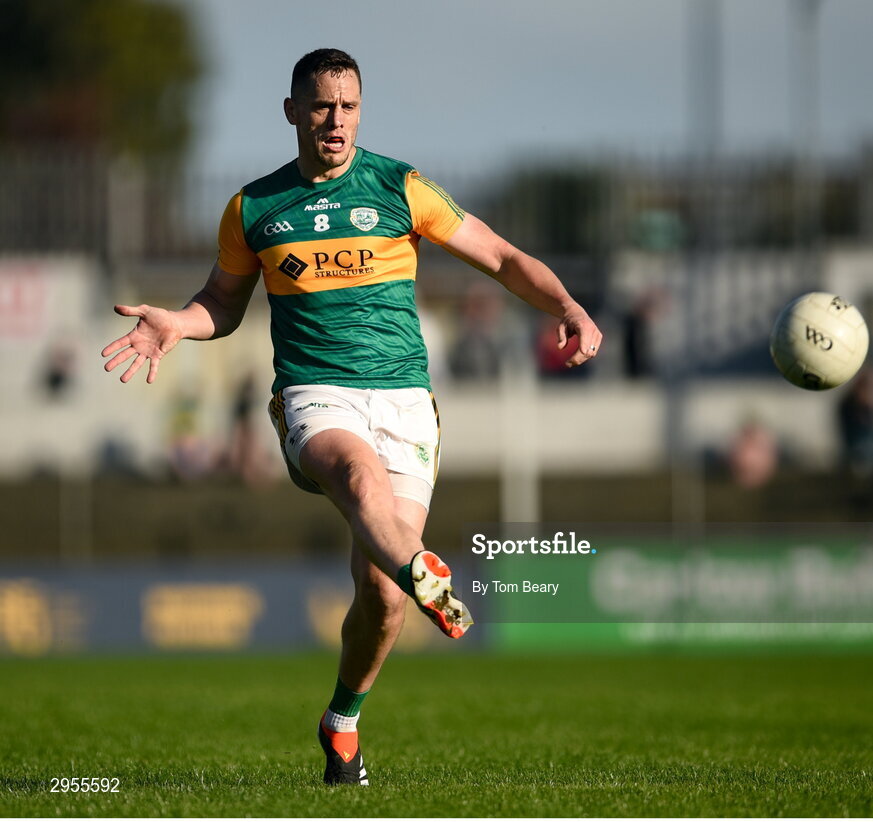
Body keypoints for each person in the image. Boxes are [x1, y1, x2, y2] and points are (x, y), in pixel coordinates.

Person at [100, 48, 602, 786]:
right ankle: (425, 566)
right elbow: (222, 305)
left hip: (404, 400)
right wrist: (177, 322)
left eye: (349, 106)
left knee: (381, 598)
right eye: (322, 105)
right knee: (360, 478)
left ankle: (342, 722)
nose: (336, 121)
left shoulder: (400, 187)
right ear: (292, 112)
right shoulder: (253, 208)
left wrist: (565, 304)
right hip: (313, 394)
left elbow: (496, 256)